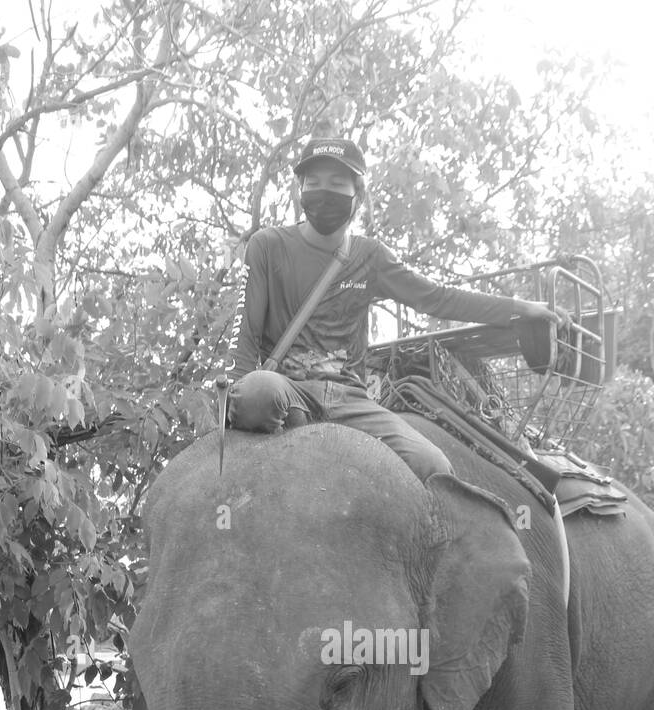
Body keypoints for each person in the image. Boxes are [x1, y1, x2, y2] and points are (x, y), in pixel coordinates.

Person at [226, 137, 566, 481]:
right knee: (258, 391)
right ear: (299, 190)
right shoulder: (267, 246)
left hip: (349, 399)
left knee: (433, 465)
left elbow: (437, 298)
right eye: (313, 183)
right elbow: (245, 339)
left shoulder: (369, 255)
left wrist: (519, 308)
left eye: (337, 183)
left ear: (357, 195)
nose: (324, 193)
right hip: (288, 390)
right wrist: (231, 403)